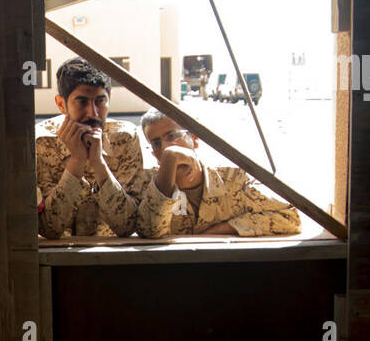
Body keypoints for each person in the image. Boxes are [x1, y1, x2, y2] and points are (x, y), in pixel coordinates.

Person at [134, 110, 301, 238]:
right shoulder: (148, 185)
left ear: (194, 138)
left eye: (172, 136)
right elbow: (149, 231)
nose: (165, 147)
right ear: (154, 154)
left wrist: (225, 228)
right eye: (156, 143)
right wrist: (171, 157)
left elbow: (290, 217)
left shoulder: (234, 181)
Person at [36, 58, 144, 238]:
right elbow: (49, 228)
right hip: (59, 257)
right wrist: (76, 163)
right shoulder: (42, 141)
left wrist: (98, 164)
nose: (93, 113)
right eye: (82, 102)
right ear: (61, 104)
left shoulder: (125, 138)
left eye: (100, 101)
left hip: (116, 255)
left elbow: (127, 225)